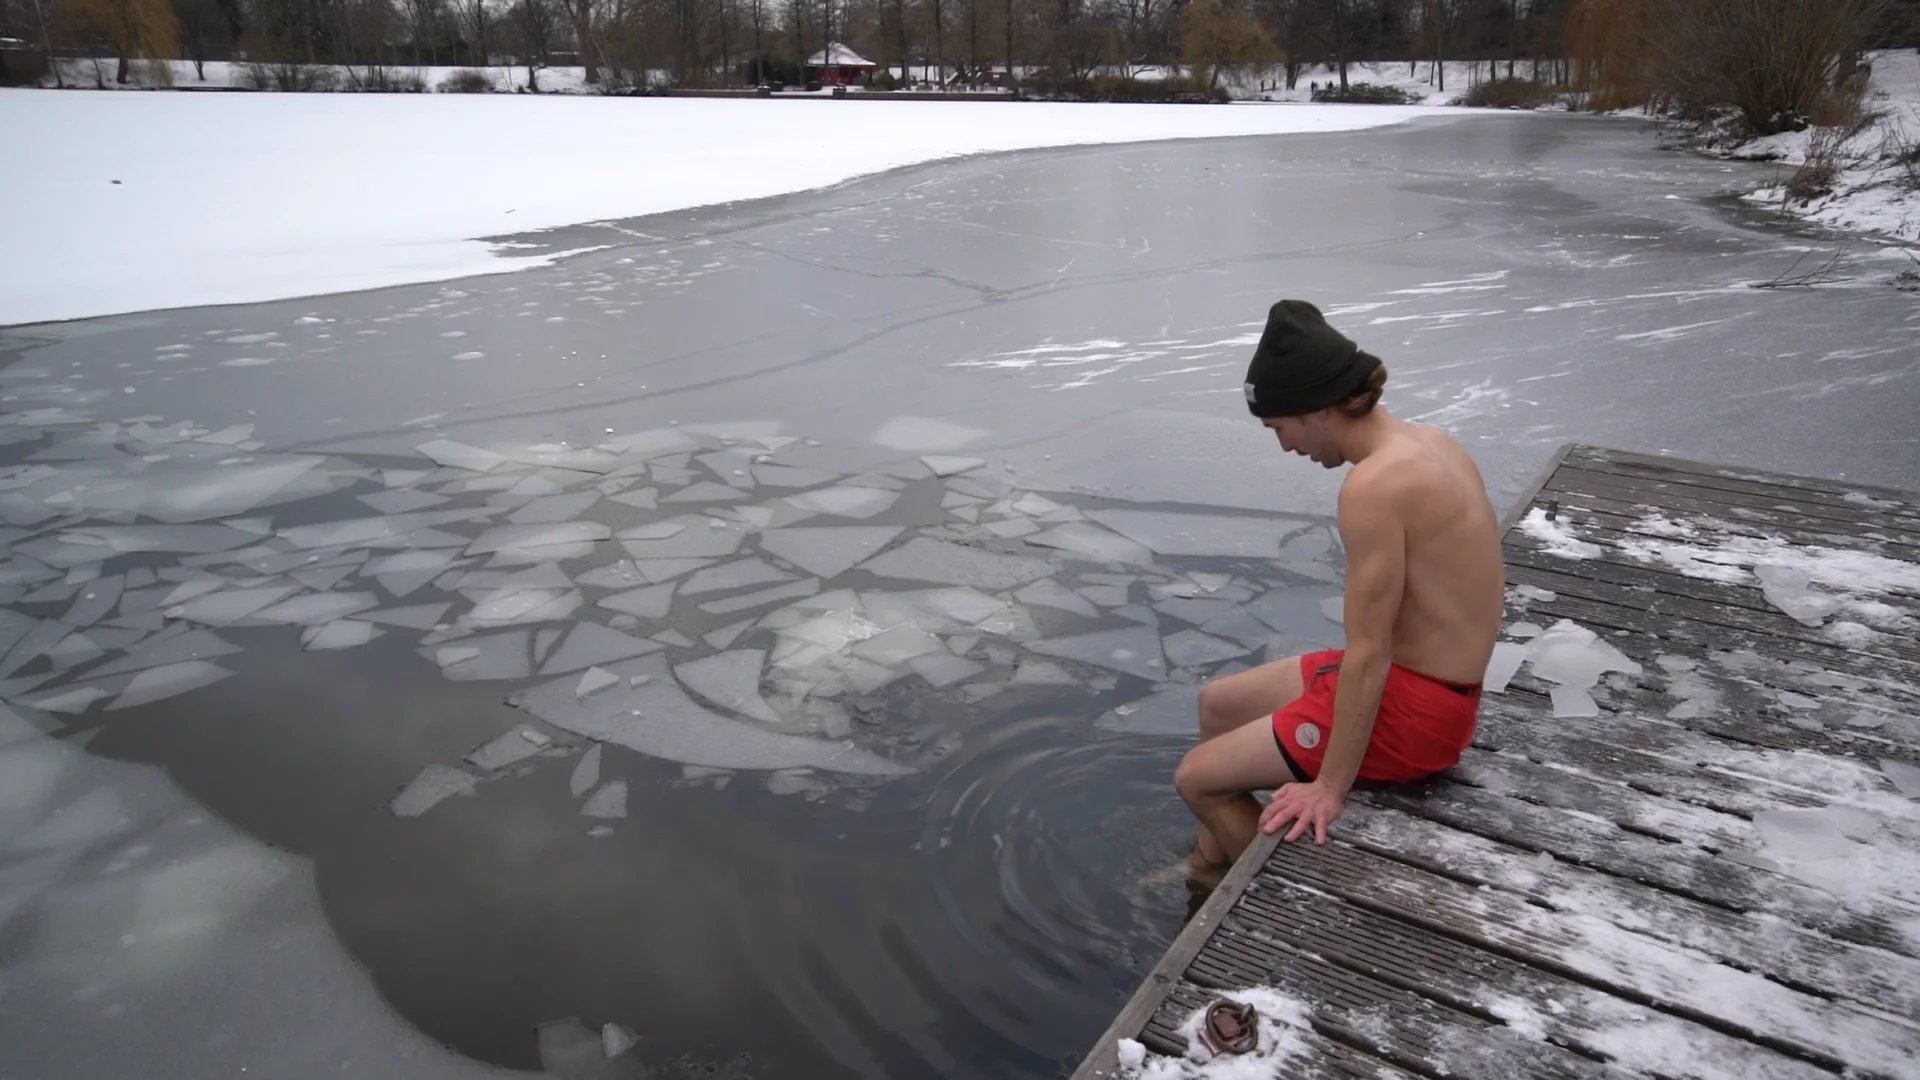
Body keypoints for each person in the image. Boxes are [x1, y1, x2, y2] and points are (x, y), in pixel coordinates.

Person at [1173, 299, 1505, 887]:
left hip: (1420, 711)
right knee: (1217, 704)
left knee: (1195, 778)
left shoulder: (1375, 487)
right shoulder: (1430, 442)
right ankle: (1211, 861)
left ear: (1320, 409)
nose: (1285, 447)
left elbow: (1370, 652)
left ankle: (1262, 894)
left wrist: (1329, 785)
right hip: (1433, 684)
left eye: (1280, 427)